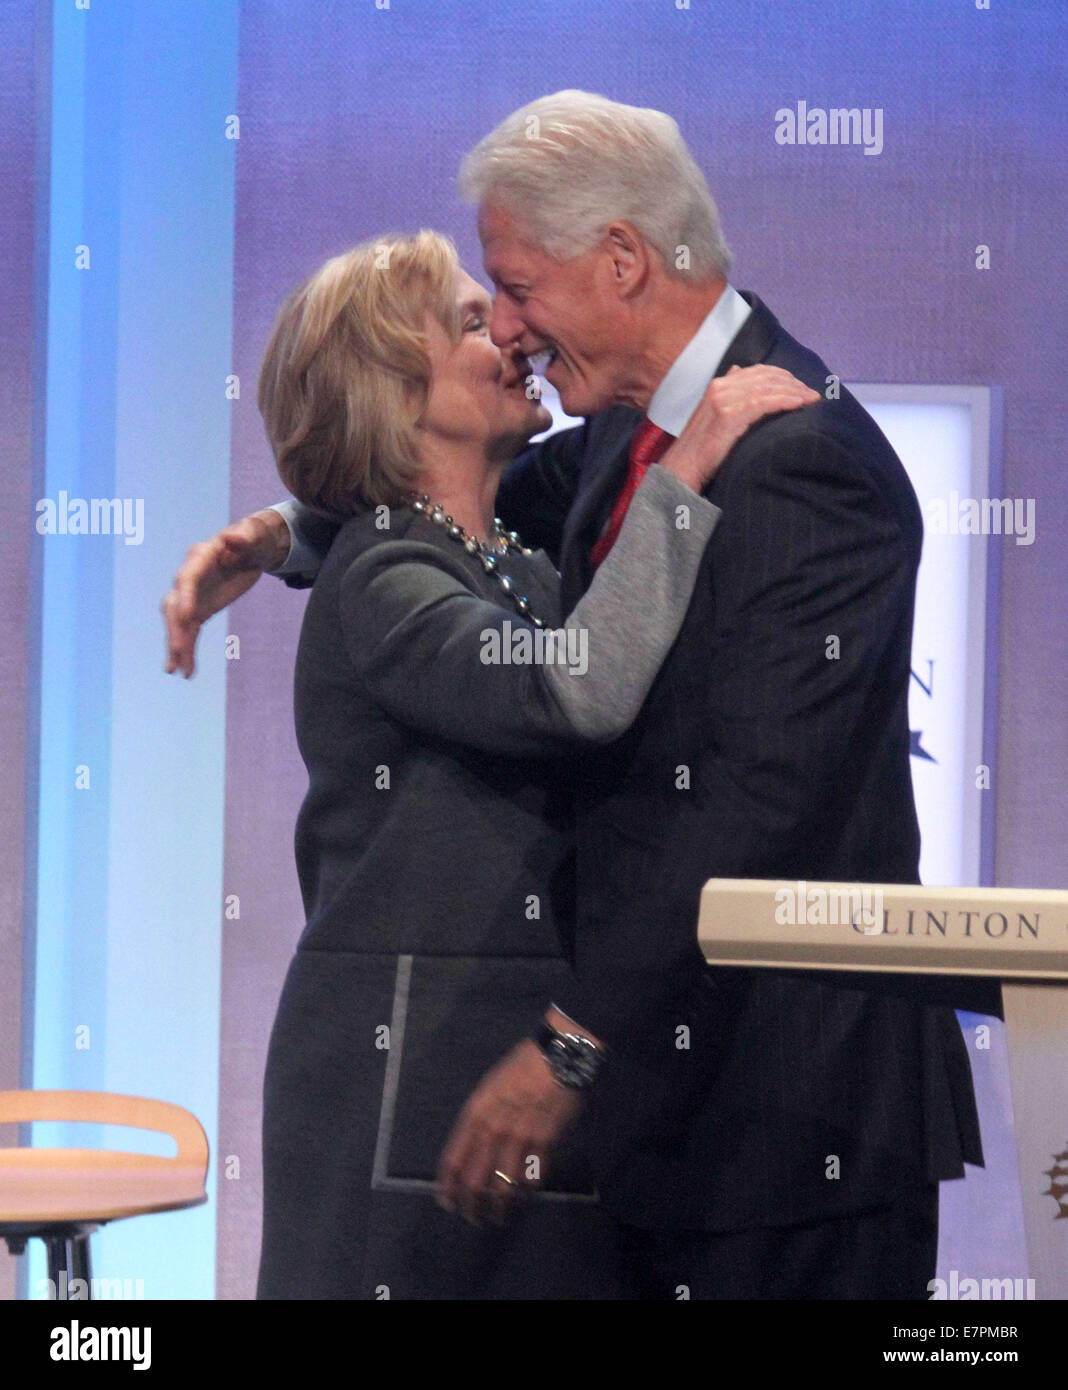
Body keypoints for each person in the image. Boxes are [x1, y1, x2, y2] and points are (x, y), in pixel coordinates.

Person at [165, 92, 999, 1301]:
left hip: (793, 1119)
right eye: (481, 306)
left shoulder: (799, 457)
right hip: (652, 1122)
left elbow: (755, 802)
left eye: (514, 286)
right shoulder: (629, 433)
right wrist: (280, 534)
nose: (508, 327)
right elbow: (420, 503)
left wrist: (574, 1040)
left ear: (619, 261)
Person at [176, 226, 816, 1300]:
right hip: (399, 1081)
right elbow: (573, 688)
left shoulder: (512, 556)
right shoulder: (386, 571)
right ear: (395, 389)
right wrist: (691, 462)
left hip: (502, 1073)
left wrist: (286, 532)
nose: (511, 338)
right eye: (474, 324)